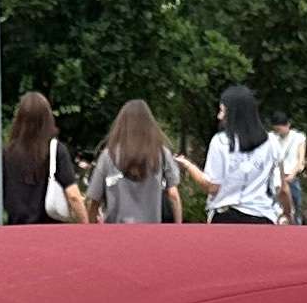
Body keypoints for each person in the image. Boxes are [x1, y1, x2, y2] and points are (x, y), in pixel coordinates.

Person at [187, 84, 291, 225]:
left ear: (233, 114)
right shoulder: (272, 142)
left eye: (222, 111)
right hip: (262, 217)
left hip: (225, 217)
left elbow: (212, 187)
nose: (219, 116)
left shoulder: (221, 141)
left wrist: (189, 166)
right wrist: (287, 213)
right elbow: (282, 189)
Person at [88, 100, 185, 224]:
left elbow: (94, 201)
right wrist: (178, 227)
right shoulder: (161, 153)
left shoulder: (108, 155)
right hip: (152, 231)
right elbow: (173, 195)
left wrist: (91, 230)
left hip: (115, 234)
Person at [0, 91, 84, 224]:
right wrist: (86, 224)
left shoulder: (6, 153)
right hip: (50, 231)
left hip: (15, 231)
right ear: (48, 119)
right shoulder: (55, 150)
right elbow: (73, 196)